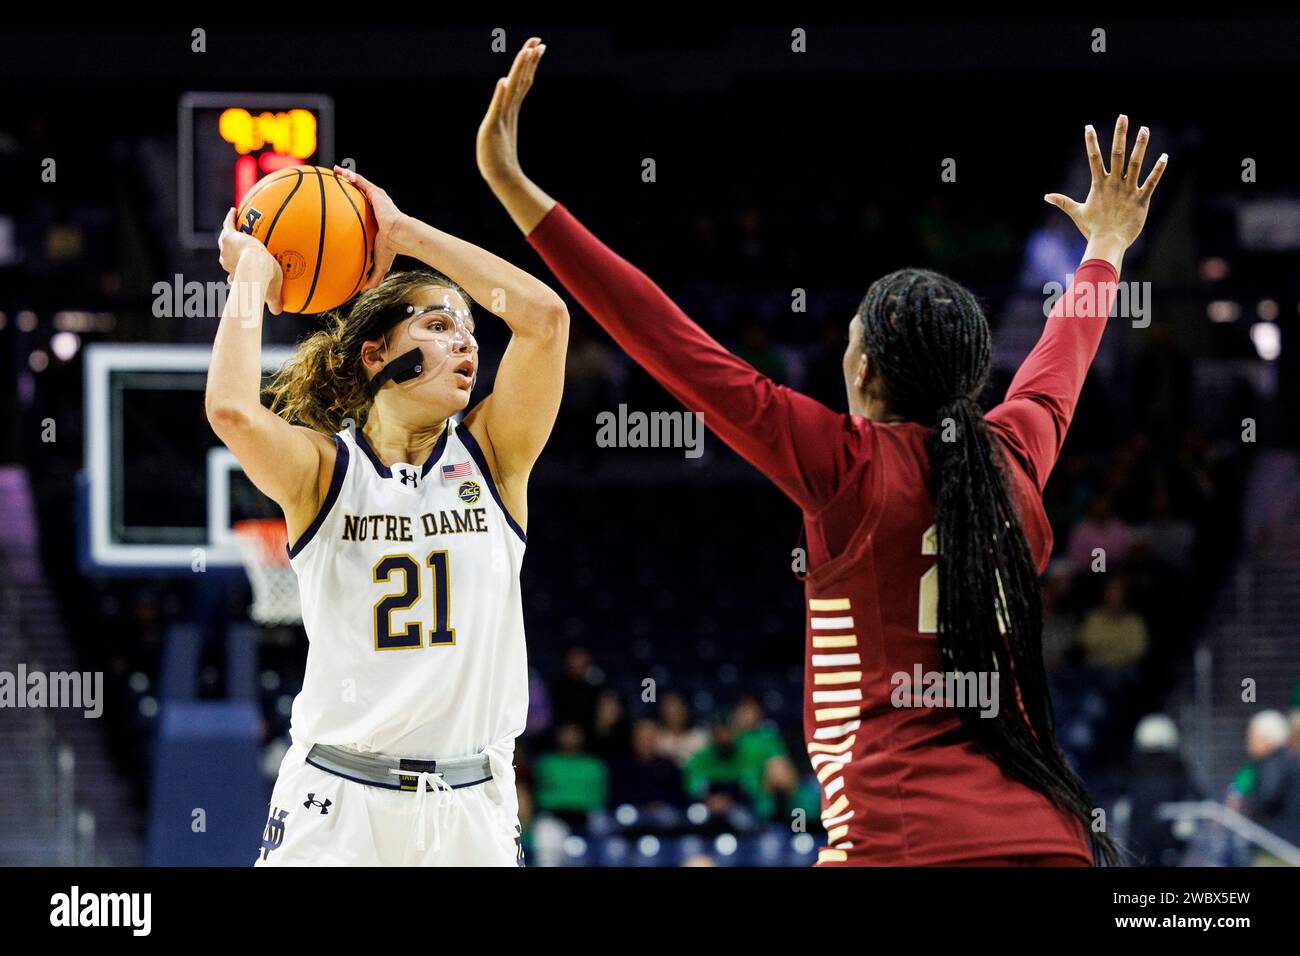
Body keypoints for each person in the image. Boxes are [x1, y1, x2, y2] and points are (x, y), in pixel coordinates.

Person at [477, 38, 1167, 865]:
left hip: (904, 841)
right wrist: (1107, 251)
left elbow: (669, 340)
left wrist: (517, 193)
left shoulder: (848, 467)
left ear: (865, 365)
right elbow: (1068, 351)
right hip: (1051, 839)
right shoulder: (1012, 455)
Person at [209, 153, 568, 865]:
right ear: (377, 355)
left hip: (469, 807)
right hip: (336, 801)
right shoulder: (323, 469)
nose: (466, 340)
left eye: (468, 328)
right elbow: (230, 409)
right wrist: (252, 273)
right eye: (438, 325)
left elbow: (545, 319)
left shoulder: (494, 457)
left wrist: (403, 232)